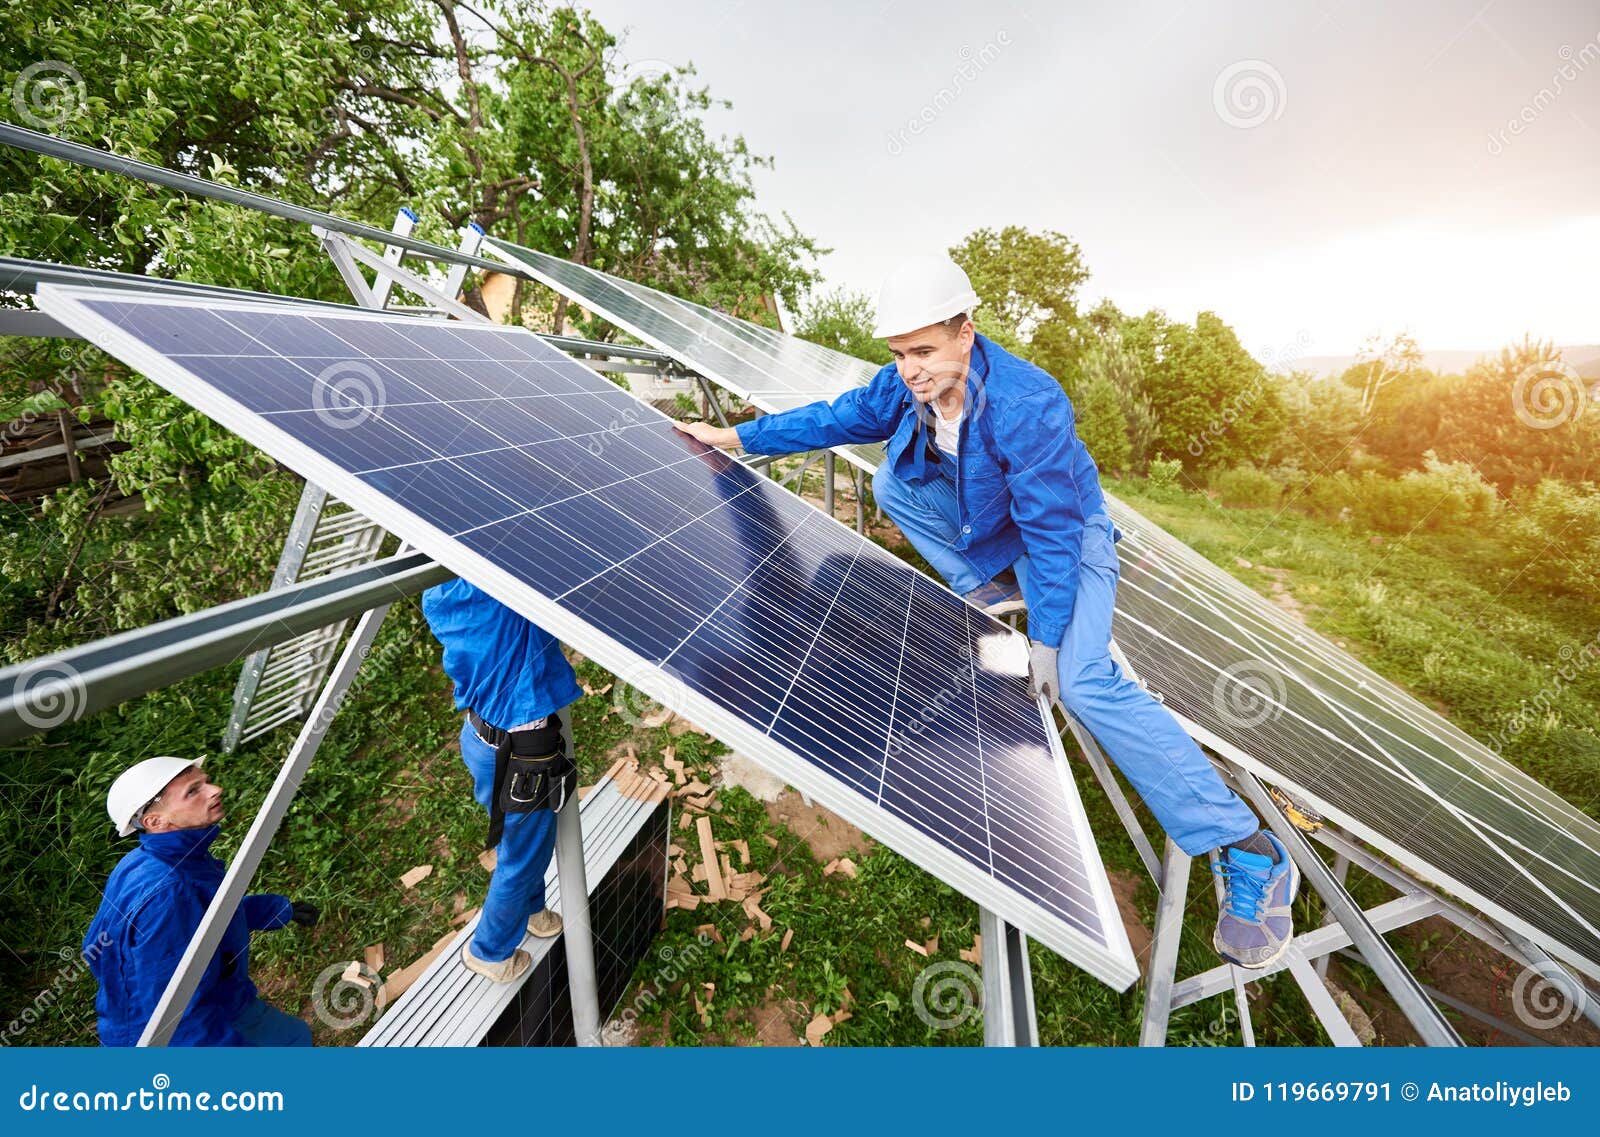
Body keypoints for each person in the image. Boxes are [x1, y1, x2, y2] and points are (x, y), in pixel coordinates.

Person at [675, 255, 1298, 968]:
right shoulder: (908, 387)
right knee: (895, 486)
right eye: (899, 352)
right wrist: (732, 439)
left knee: (1084, 681)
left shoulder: (1027, 404)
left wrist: (1049, 639)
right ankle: (991, 587)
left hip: (1065, 535)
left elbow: (1056, 538)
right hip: (992, 528)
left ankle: (1245, 845)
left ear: (966, 333)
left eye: (924, 349)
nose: (910, 367)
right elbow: (834, 418)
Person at [84, 756, 318, 1046]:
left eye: (205, 782)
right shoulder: (169, 892)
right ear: (155, 821)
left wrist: (279, 910)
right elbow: (174, 1011)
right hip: (175, 1036)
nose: (215, 789)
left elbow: (210, 917)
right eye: (193, 791)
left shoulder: (156, 859)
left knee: (295, 1038)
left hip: (223, 998)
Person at [422, 577, 583, 983]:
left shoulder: (442, 596)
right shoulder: (501, 590)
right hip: (522, 755)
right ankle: (490, 951)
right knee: (521, 855)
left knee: (527, 842)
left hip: (481, 740)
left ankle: (530, 910)